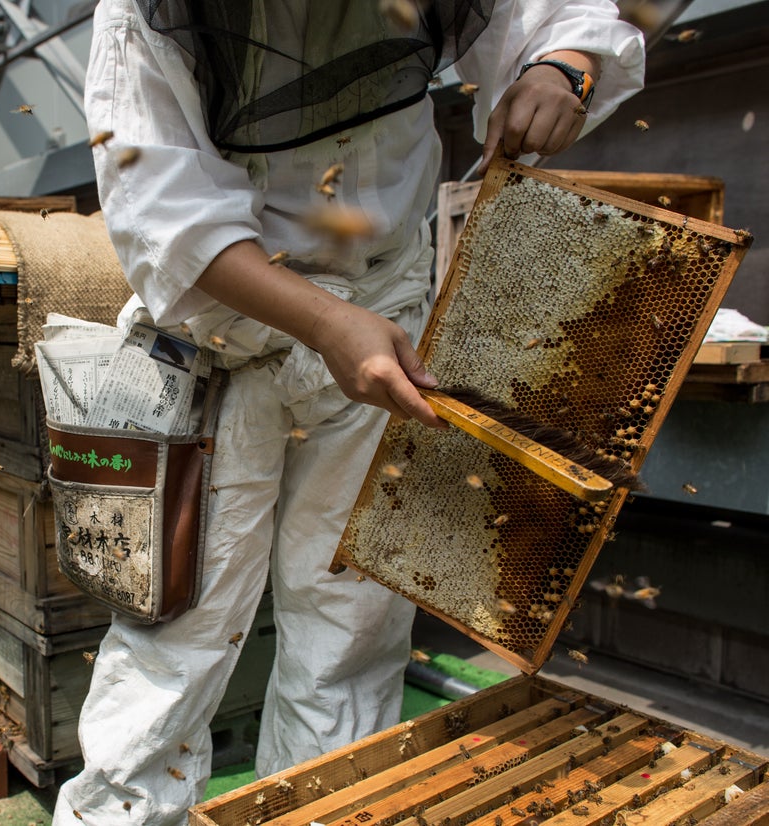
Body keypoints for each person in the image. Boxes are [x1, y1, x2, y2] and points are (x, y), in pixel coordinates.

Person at [55, 2, 645, 824]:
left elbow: (558, 15)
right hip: (219, 339)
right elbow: (161, 208)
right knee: (174, 642)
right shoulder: (142, 17)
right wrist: (328, 323)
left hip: (387, 318)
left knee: (351, 635)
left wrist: (562, 65)